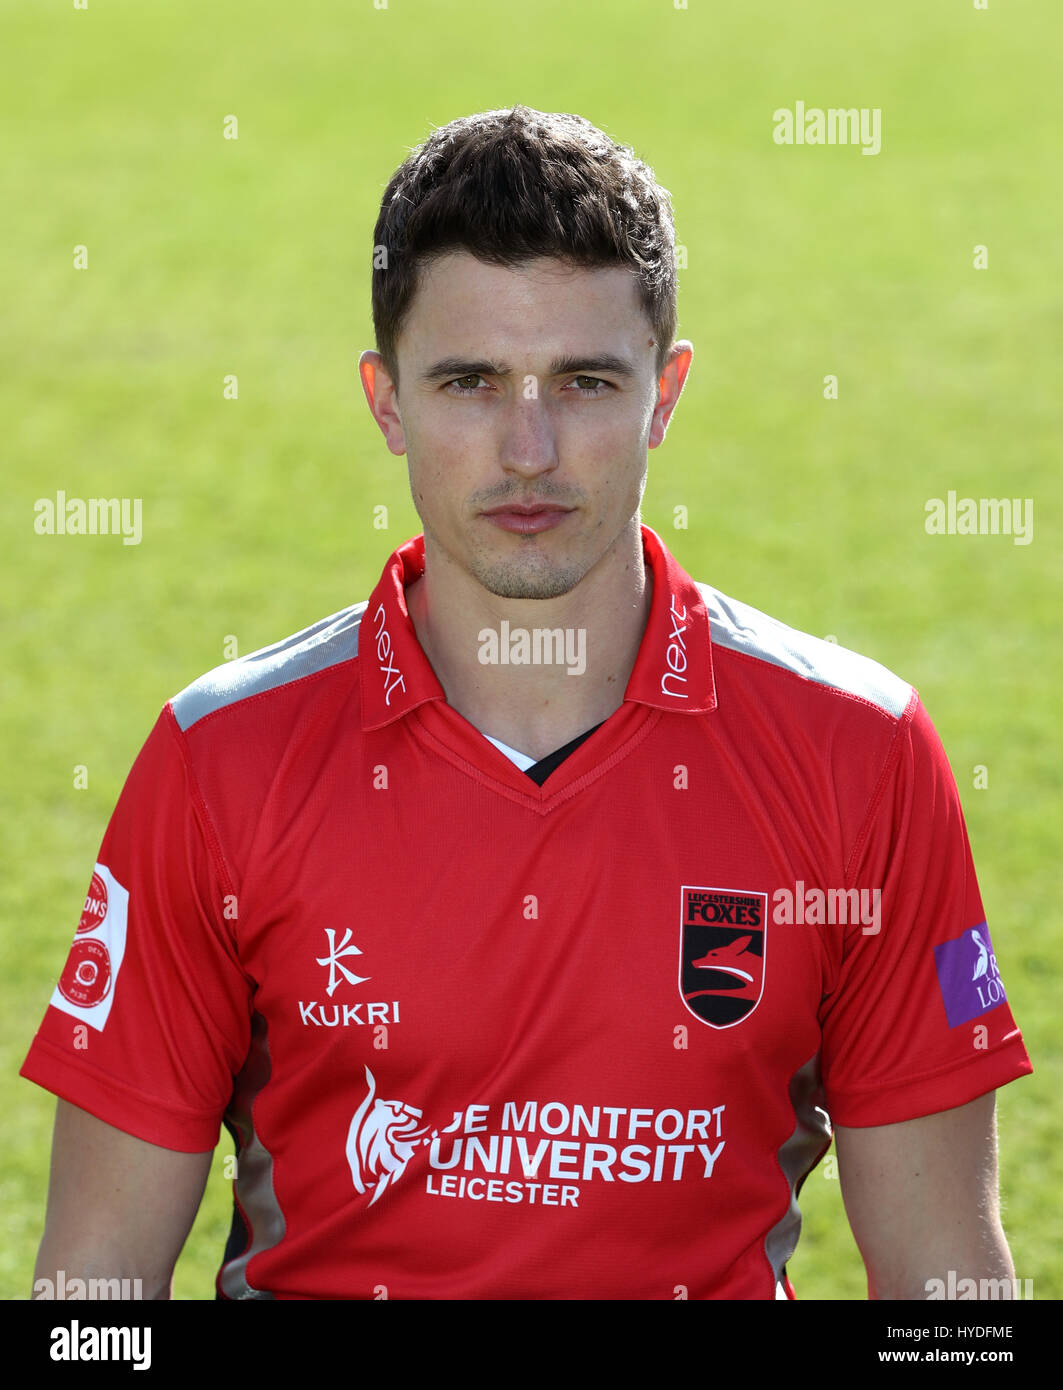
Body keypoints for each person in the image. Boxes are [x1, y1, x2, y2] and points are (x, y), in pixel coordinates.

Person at [22, 105, 1032, 1301]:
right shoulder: (221, 757)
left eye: (587, 381)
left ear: (665, 394)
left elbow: (948, 1290)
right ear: (385, 400)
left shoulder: (857, 753)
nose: (529, 448)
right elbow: (90, 1297)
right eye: (469, 382)